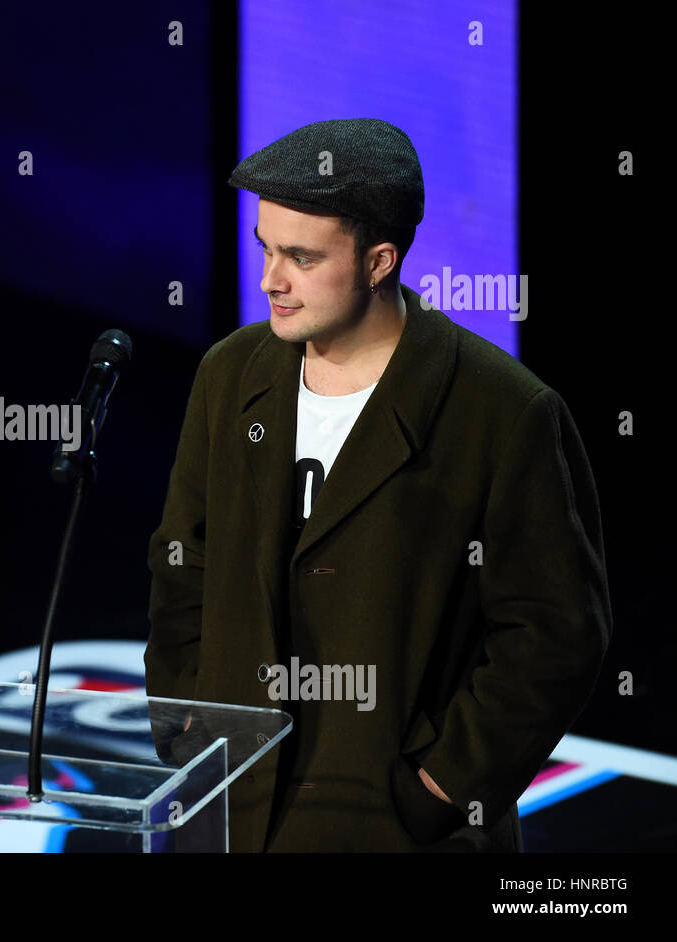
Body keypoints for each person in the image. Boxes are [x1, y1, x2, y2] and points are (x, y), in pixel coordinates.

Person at [145, 118, 611, 852]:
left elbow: (556, 635)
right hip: (232, 810)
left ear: (378, 261)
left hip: (395, 826)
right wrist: (184, 726)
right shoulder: (229, 374)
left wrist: (439, 789)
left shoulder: (502, 411)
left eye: (301, 257)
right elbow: (183, 561)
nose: (270, 279)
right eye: (265, 248)